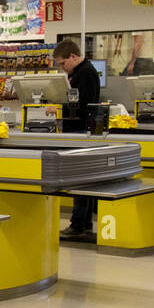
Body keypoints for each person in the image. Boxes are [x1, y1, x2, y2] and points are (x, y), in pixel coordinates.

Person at [53, 40, 102, 237]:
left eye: (62, 63)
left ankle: (78, 224)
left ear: (73, 57)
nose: (62, 68)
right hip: (78, 132)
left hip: (81, 133)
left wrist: (58, 108)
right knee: (82, 180)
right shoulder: (79, 73)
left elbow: (82, 106)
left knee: (79, 180)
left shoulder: (86, 74)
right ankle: (83, 223)